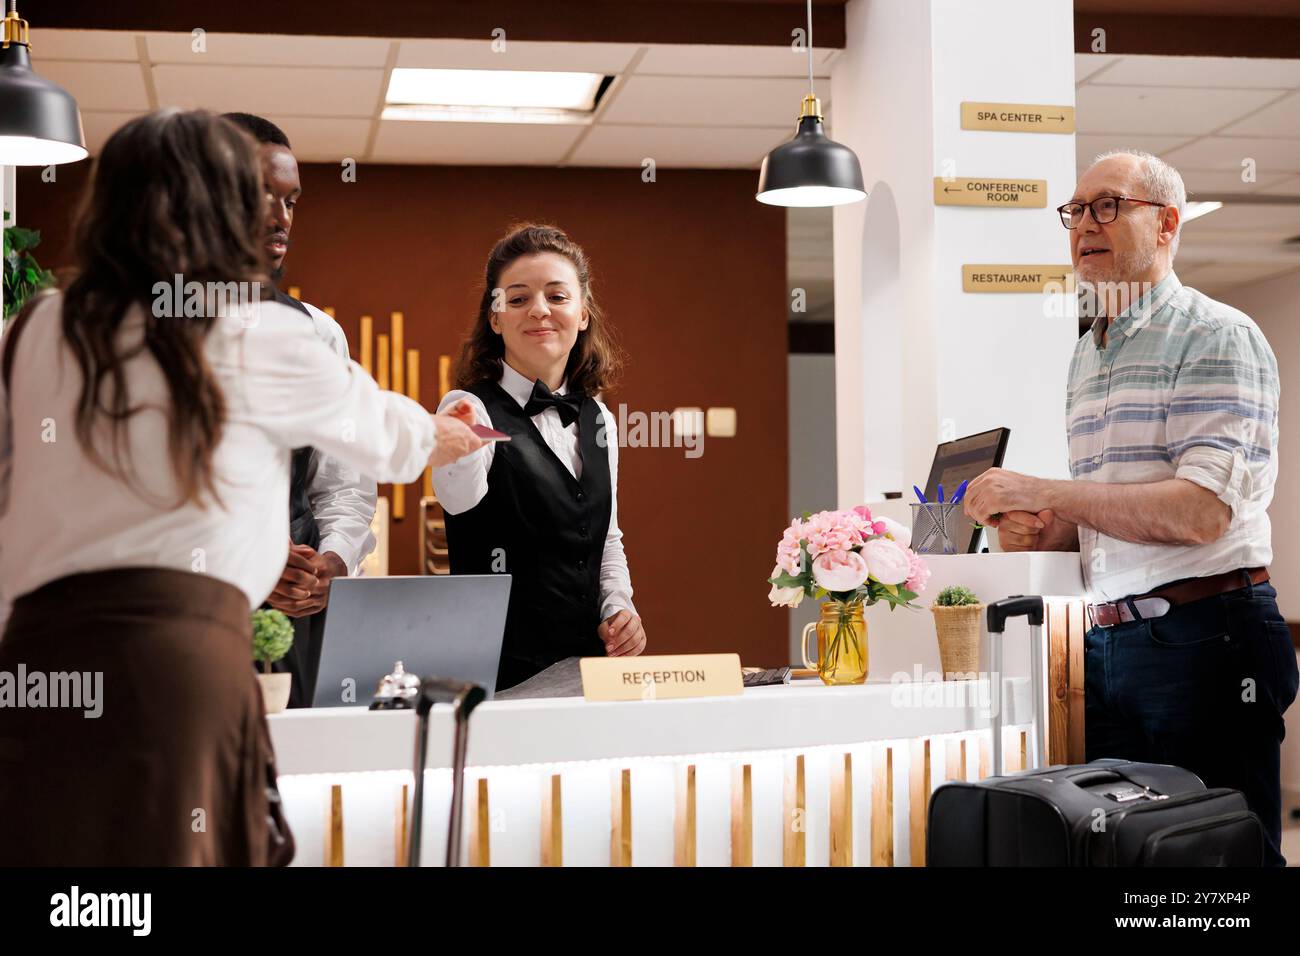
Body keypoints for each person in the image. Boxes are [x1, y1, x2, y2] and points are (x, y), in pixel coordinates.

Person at [0, 109, 484, 865]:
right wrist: (448, 432)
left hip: (33, 660)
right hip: (174, 665)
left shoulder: (31, 330)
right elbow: (389, 438)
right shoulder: (252, 327)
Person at [962, 150, 1297, 866]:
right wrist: (1041, 531)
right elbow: (1112, 520)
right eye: (1076, 211)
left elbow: (1203, 512)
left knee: (1220, 868)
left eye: (1107, 205)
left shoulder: (1216, 336)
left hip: (1208, 639)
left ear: (1168, 223)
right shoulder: (1089, 354)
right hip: (1107, 647)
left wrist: (1044, 491)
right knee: (1126, 858)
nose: (1085, 224)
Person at [431, 224, 646, 691]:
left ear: (583, 314)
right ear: (495, 317)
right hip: (498, 677)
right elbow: (457, 500)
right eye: (519, 298)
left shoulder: (600, 419)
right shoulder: (468, 409)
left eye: (557, 296)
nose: (540, 310)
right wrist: (460, 428)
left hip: (589, 673)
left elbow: (606, 539)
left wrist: (619, 607)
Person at [222, 112, 375, 708]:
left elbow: (342, 483)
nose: (282, 218)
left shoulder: (319, 335)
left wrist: (333, 559)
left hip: (293, 620)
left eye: (292, 201)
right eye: (262, 195)